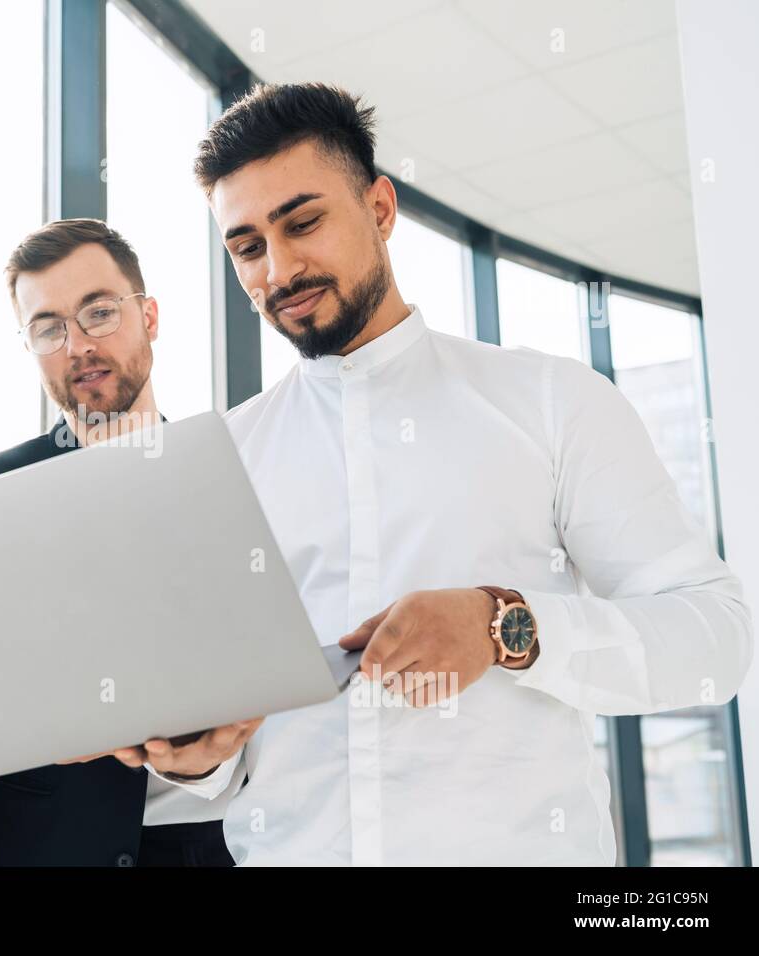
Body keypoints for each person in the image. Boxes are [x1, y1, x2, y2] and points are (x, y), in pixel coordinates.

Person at [148, 81, 753, 865]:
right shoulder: (220, 463)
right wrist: (200, 756)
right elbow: (226, 761)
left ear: (381, 209)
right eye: (247, 247)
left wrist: (504, 626)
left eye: (303, 223)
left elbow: (716, 643)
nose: (280, 269)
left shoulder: (550, 402)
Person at [0, 219, 257, 866]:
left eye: (100, 312)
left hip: (208, 843)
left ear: (151, 317)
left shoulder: (237, 471)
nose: (78, 344)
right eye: (48, 328)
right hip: (44, 849)